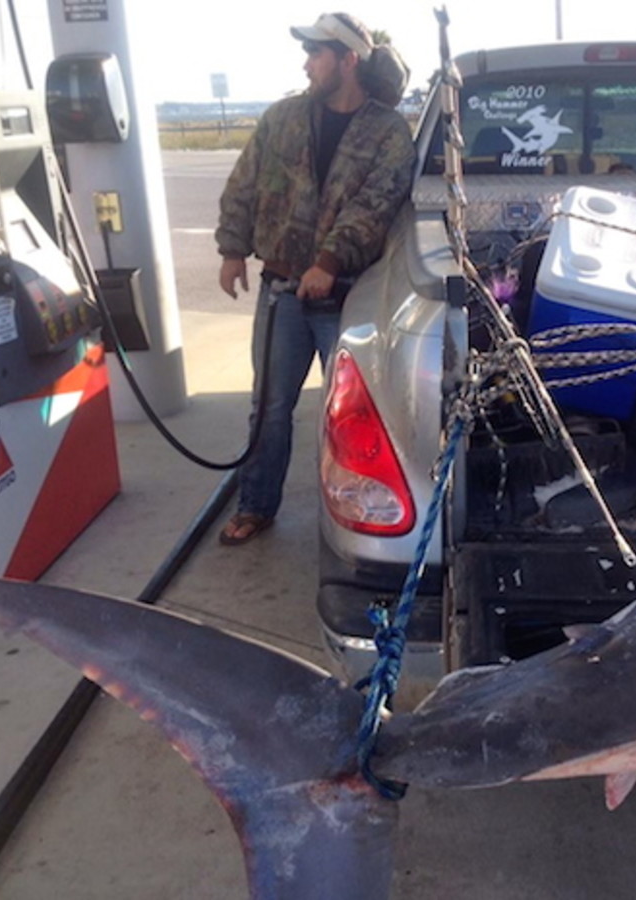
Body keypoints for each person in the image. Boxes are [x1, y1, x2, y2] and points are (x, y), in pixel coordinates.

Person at [214, 12, 416, 545]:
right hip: (281, 291)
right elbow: (245, 183)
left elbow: (377, 203)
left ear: (348, 60)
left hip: (348, 297)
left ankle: (358, 518)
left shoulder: (388, 132)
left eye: (317, 53)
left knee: (352, 418)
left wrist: (329, 260)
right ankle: (256, 504)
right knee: (269, 407)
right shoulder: (281, 119)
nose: (307, 63)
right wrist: (232, 249)